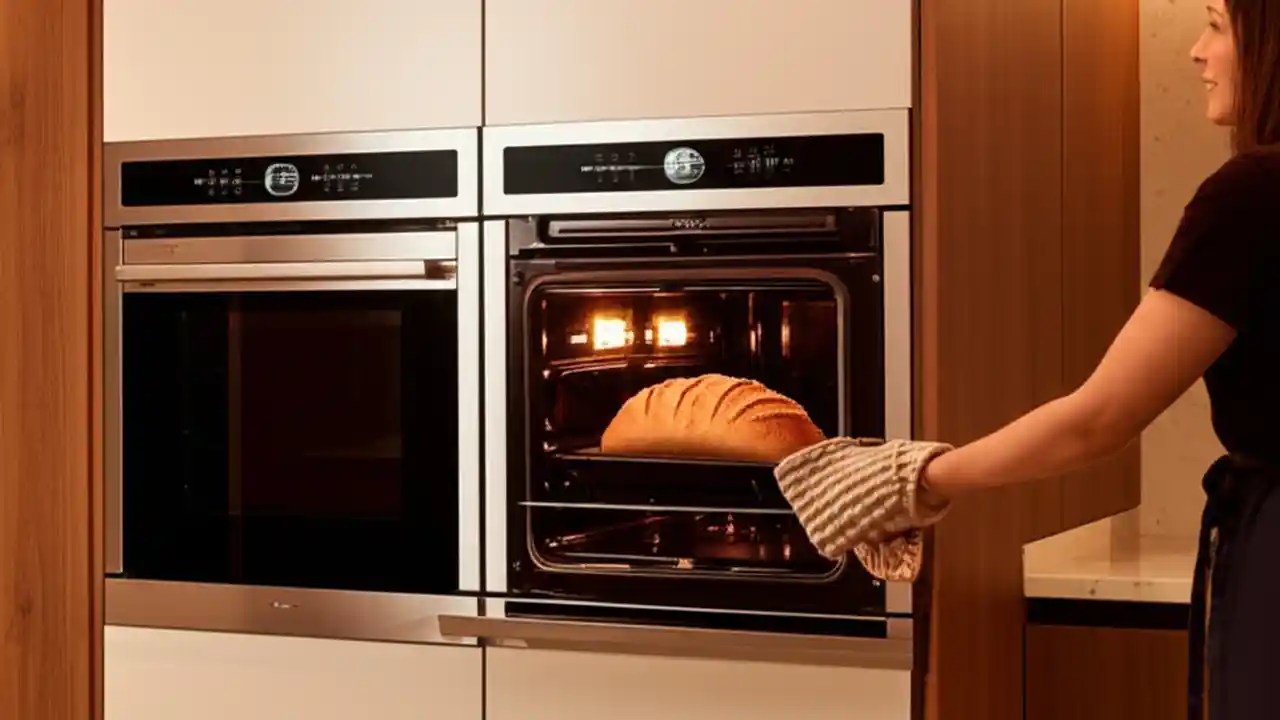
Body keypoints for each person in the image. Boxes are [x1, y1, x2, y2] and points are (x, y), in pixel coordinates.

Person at [775, 2, 1280, 718]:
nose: (1198, 52)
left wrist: (909, 478)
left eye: (1218, 27)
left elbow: (1098, 420)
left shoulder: (1253, 196)